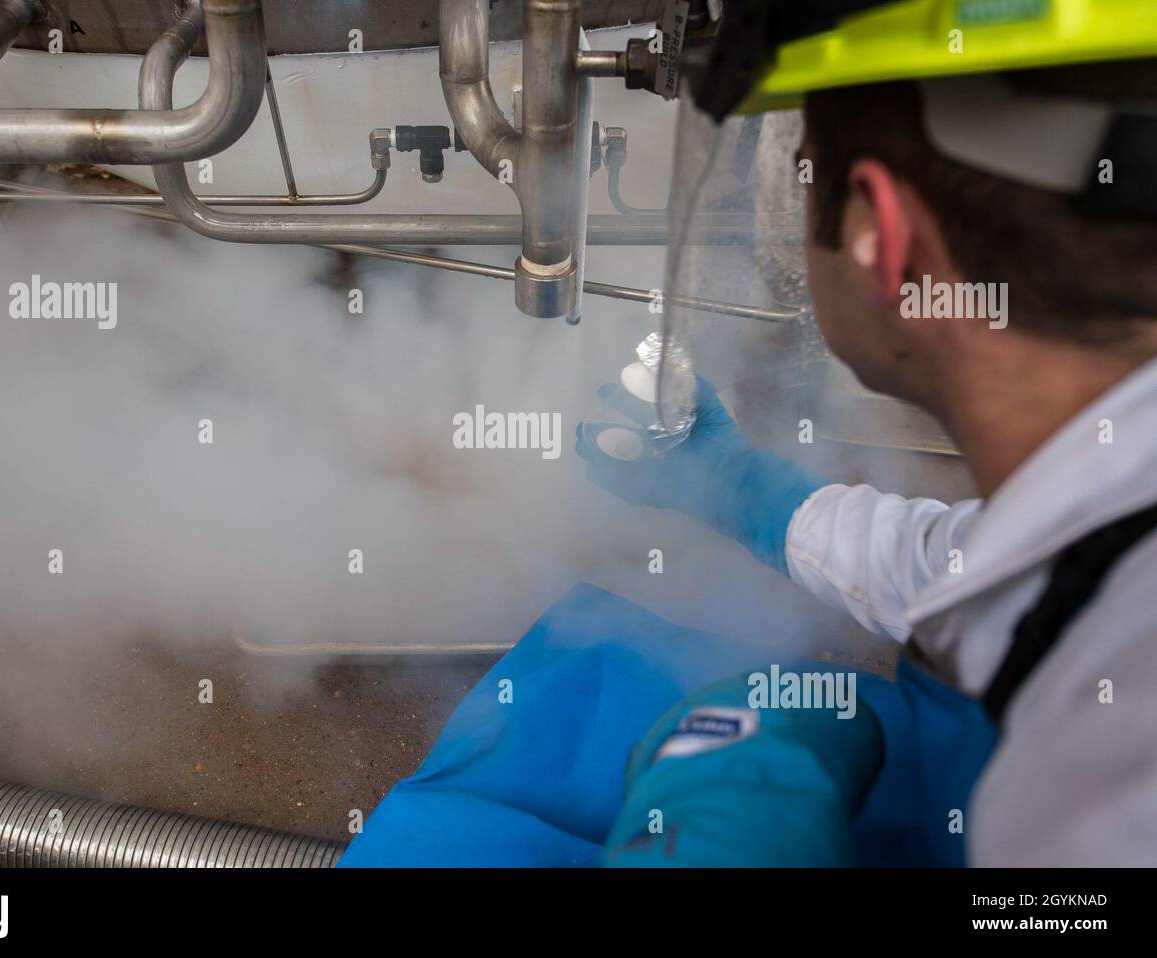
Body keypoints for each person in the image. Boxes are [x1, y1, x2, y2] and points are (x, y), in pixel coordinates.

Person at [340, 0, 1157, 867]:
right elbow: (974, 568)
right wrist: (741, 484)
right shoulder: (1108, 519)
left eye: (804, 173)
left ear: (884, 239)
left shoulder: (1095, 775)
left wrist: (729, 827)